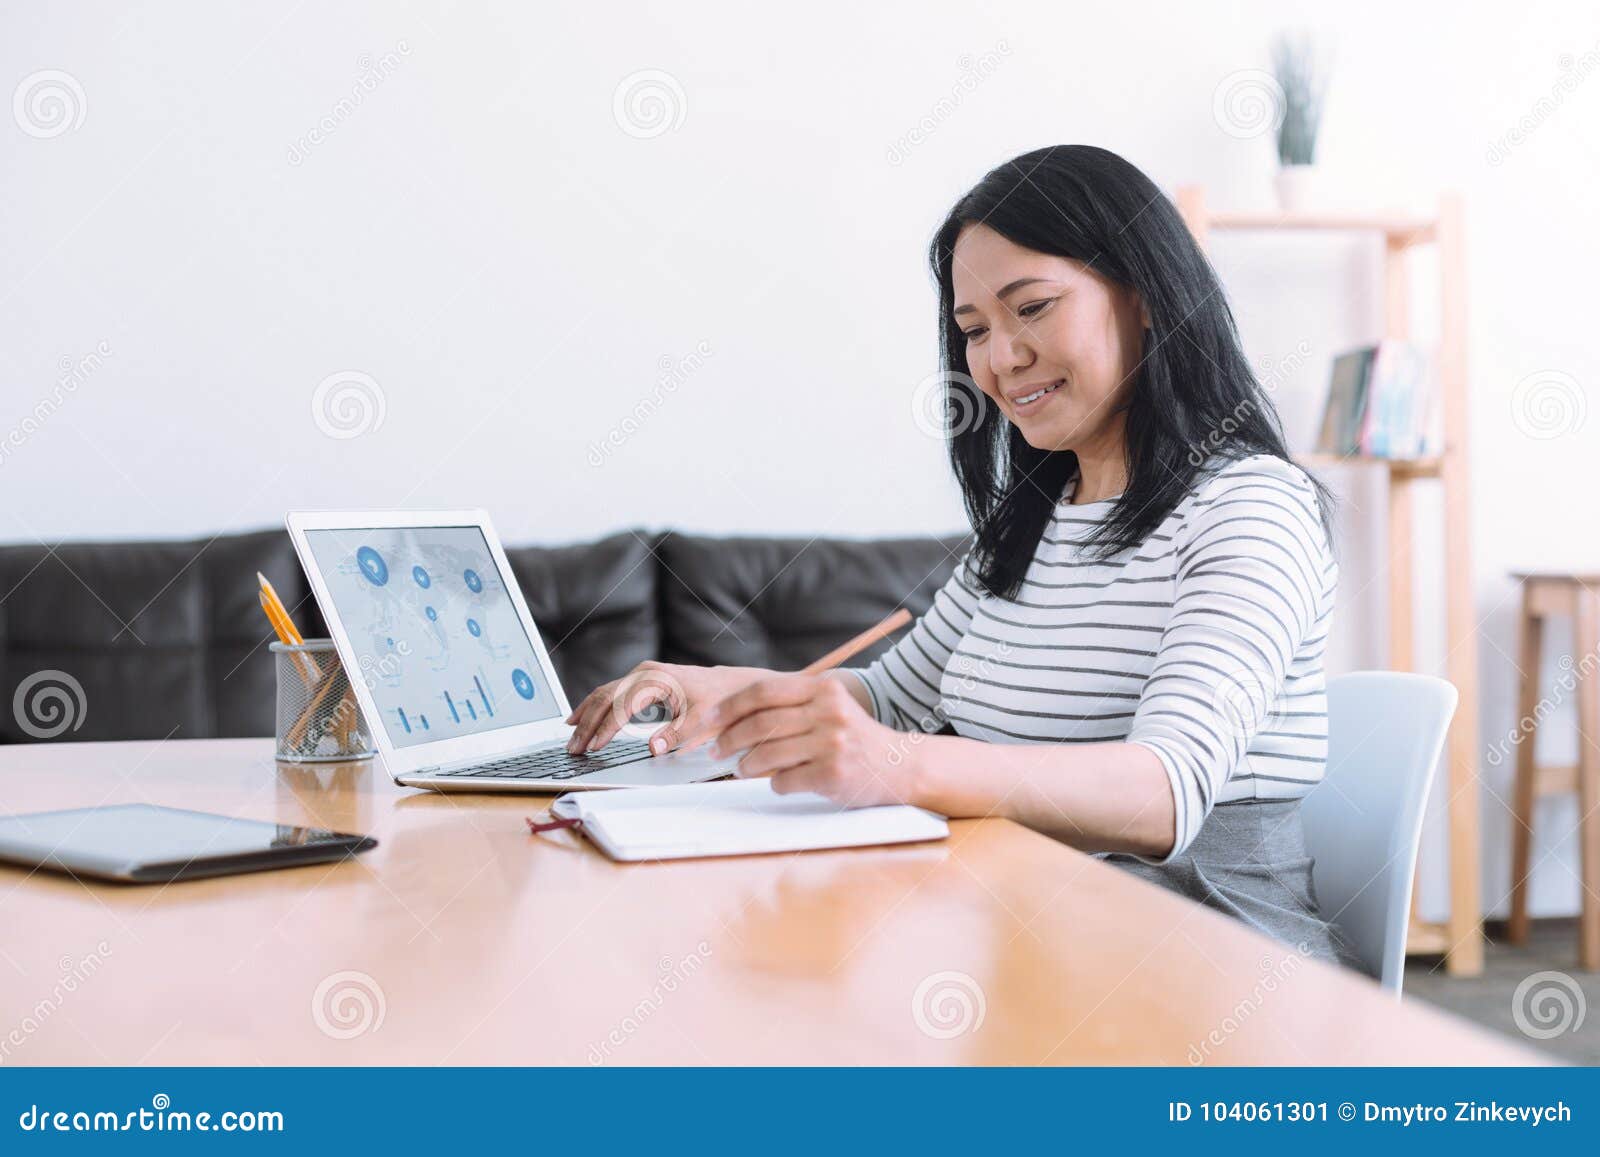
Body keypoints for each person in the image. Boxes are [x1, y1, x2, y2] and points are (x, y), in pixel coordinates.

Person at [566, 145, 1349, 963]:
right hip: (1033, 931)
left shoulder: (1250, 507)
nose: (1000, 359)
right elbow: (889, 700)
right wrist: (719, 695)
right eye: (974, 330)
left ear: (1147, 295)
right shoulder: (1031, 521)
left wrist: (896, 765)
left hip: (1206, 957)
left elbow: (1165, 792)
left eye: (1033, 308)